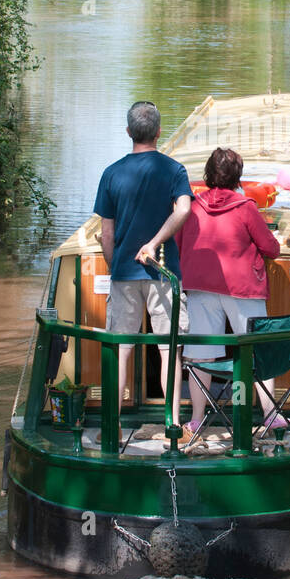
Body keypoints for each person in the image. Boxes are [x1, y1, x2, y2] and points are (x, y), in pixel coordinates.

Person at [95, 101, 192, 428]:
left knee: (121, 350)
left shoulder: (111, 173)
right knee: (169, 351)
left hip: (124, 275)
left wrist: (116, 264)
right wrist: (154, 243)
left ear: (128, 133)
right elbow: (183, 211)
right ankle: (173, 427)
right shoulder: (174, 171)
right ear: (159, 132)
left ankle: (112, 428)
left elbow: (107, 233)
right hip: (163, 275)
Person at [177, 147, 282, 444]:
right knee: (255, 351)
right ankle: (269, 414)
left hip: (200, 287)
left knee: (200, 354)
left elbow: (179, 241)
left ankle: (197, 420)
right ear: (238, 177)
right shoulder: (246, 206)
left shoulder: (193, 206)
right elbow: (271, 248)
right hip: (242, 288)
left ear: (209, 174)